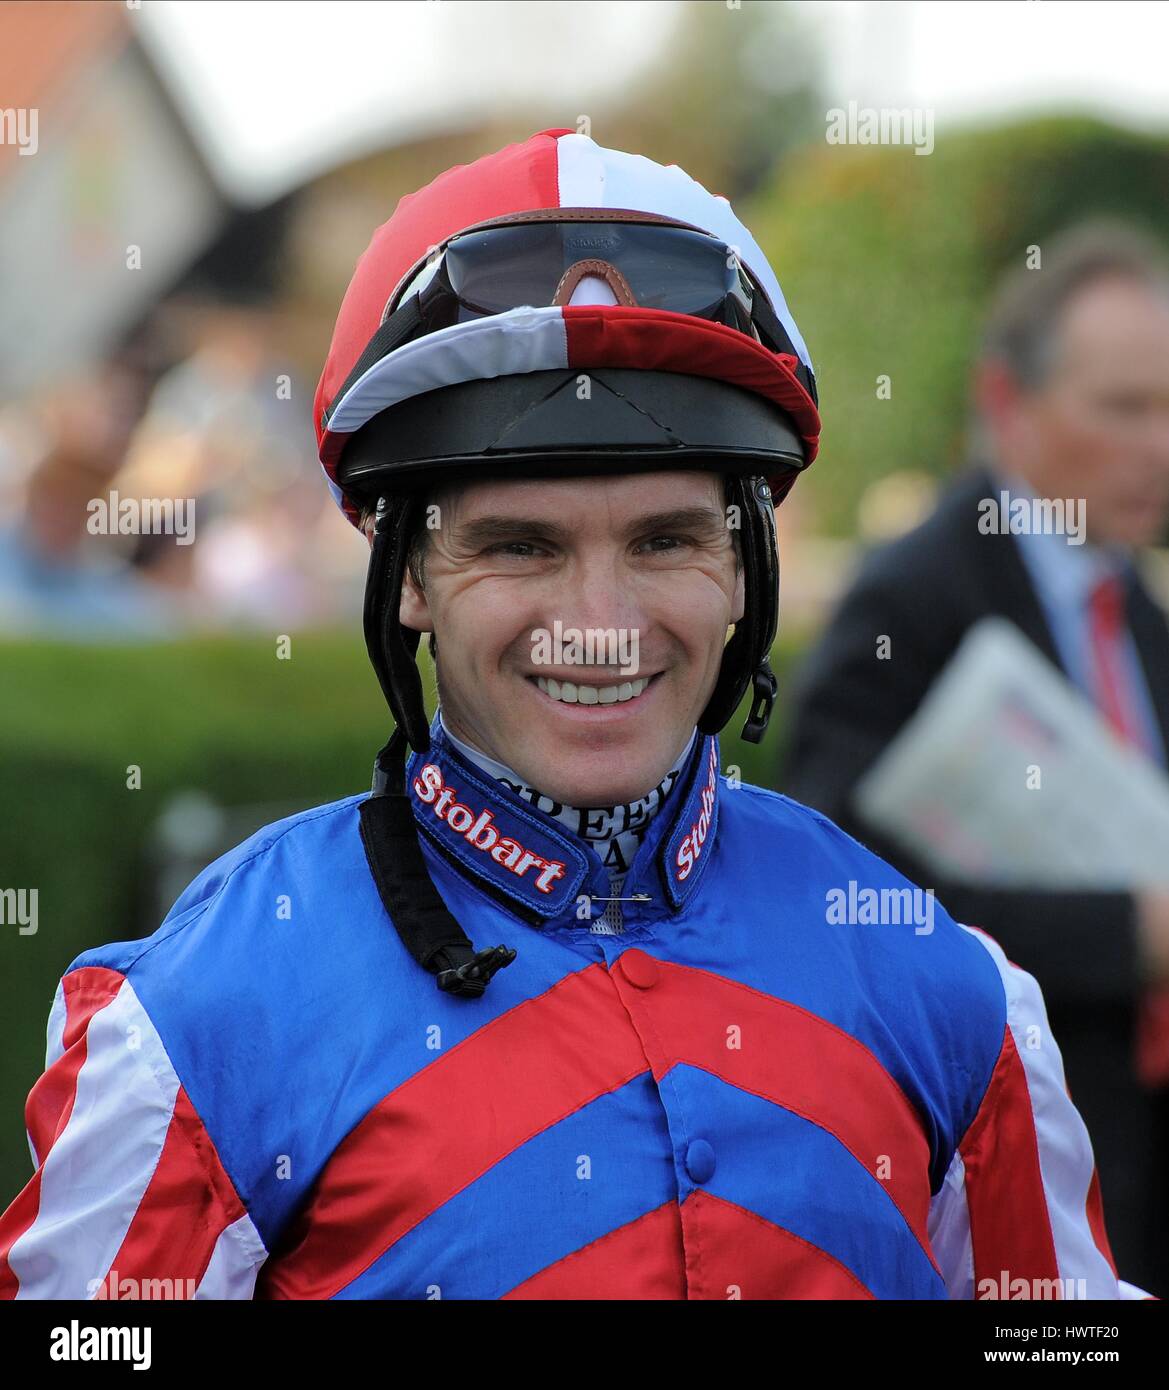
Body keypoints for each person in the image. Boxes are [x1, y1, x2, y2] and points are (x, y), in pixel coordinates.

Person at [0, 132, 1148, 1300]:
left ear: (744, 570)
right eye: (519, 546)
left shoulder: (948, 988)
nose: (600, 622)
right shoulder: (197, 1022)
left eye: (665, 541)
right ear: (407, 579)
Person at [781, 220, 1169, 1297]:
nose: (1159, 447)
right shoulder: (912, 596)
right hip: (1005, 1175)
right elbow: (841, 884)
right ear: (1005, 402)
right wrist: (1123, 933)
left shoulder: (1136, 610)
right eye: (1124, 408)